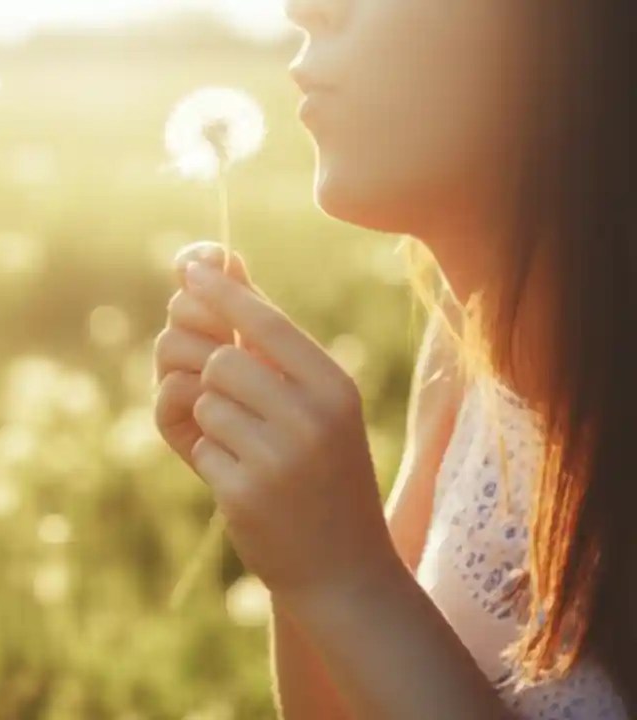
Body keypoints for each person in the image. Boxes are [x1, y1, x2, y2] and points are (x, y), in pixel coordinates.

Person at [152, 0, 636, 717]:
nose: (306, 7)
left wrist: (346, 576)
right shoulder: (462, 356)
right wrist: (301, 559)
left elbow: (357, 600)